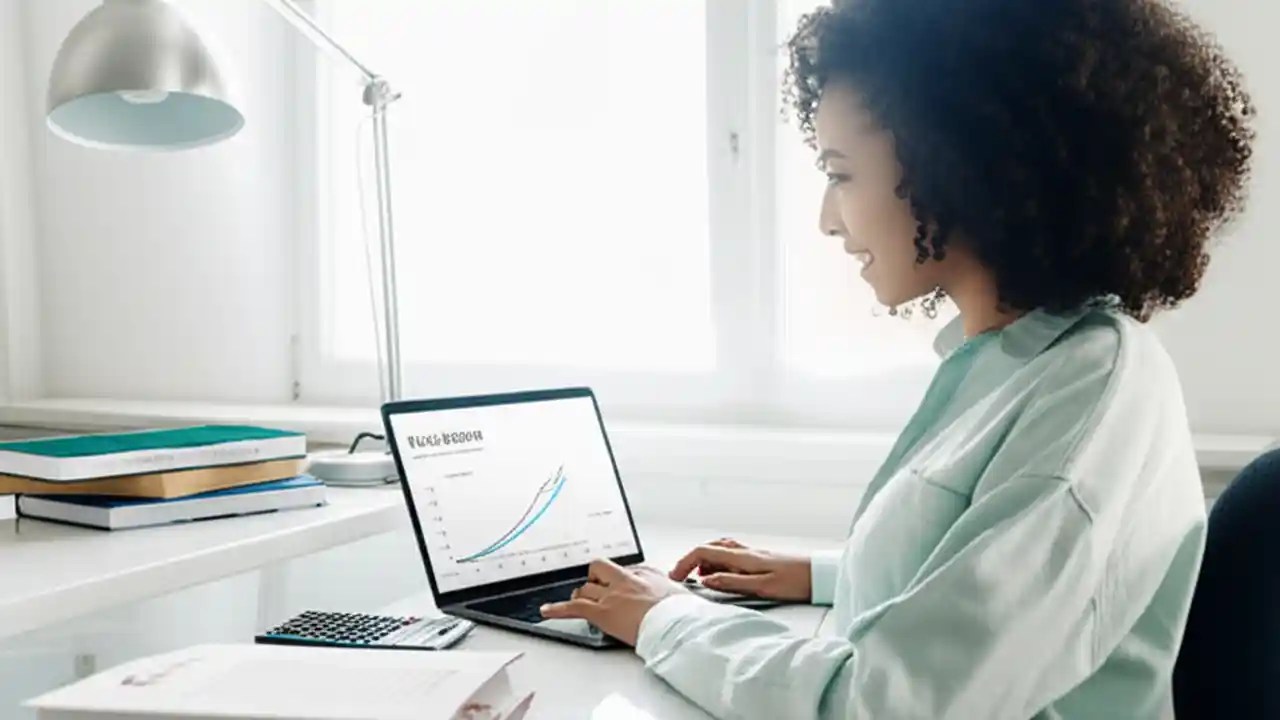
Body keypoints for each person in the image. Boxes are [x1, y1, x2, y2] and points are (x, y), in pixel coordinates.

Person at [541, 0, 1254, 716]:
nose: (828, 219)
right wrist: (825, 576)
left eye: (842, 173)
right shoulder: (1024, 361)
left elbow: (888, 704)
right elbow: (1003, 588)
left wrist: (667, 619)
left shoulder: (1089, 394)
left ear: (957, 166)